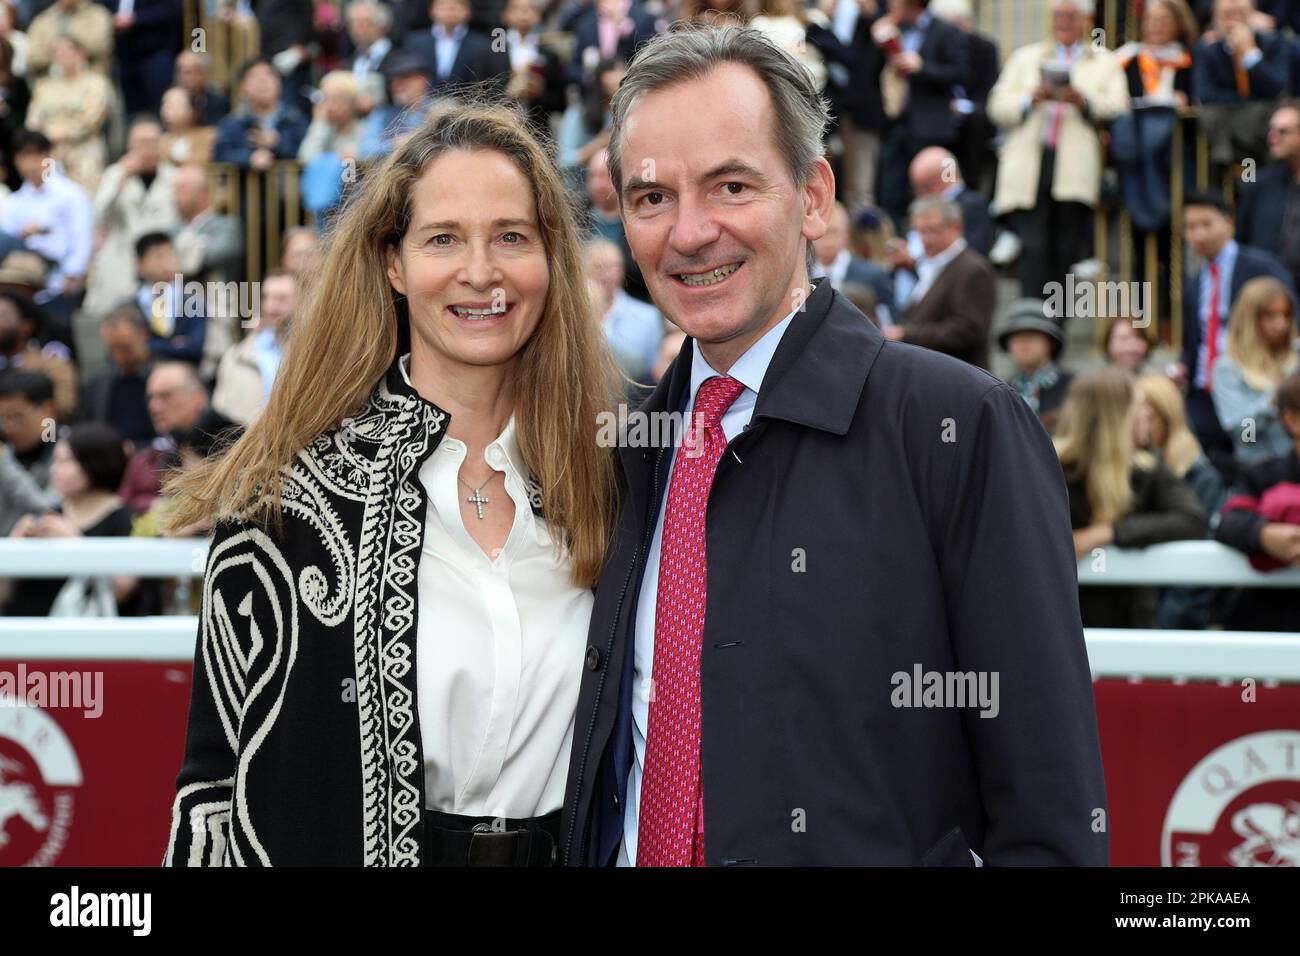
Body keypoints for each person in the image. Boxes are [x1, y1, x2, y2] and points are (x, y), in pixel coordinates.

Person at [563, 24, 1107, 867]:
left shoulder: (958, 427)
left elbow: (1049, 811)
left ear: (815, 197)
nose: (690, 231)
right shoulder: (627, 447)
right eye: (651, 197)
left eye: (731, 185)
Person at [163, 102, 620, 867]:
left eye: (512, 236)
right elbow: (217, 792)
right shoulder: (284, 504)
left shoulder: (610, 482)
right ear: (393, 264)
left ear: (551, 259)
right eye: (444, 239)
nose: (482, 272)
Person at [987, 0, 1129, 300]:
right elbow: (997, 105)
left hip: (1074, 164)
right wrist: (1030, 99)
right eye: (1059, 16)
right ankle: (1030, 320)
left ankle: (1054, 329)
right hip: (1030, 161)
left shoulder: (1104, 61)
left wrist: (1084, 101)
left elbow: (1119, 107)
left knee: (1066, 248)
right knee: (1032, 246)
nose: (1063, 22)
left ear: (1087, 20)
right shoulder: (1025, 57)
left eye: (1071, 16)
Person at [1055, 366, 1207, 628]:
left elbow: (1192, 519)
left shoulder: (1148, 468)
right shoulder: (1051, 469)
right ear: (1115, 417)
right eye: (1139, 406)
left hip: (1132, 627)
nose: (1148, 413)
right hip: (1062, 624)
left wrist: (1107, 532)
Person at [1175, 188, 1295, 468]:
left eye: (1206, 224)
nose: (1199, 235)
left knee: (1256, 454)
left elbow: (1289, 313)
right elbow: (1195, 340)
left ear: (1228, 223)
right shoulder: (1195, 282)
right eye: (1191, 227)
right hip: (1206, 391)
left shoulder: (1260, 266)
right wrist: (1184, 367)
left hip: (1253, 383)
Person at [1, 422, 135, 617]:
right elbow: (4, 594)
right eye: (54, 461)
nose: (55, 470)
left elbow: (121, 590)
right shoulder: (46, 516)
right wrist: (15, 547)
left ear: (96, 462)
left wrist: (73, 541)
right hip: (25, 636)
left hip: (87, 639)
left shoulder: (126, 519)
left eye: (66, 461)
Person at [1135, 373, 1227, 628]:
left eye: (1148, 418)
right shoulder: (1128, 472)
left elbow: (1201, 566)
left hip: (1178, 625)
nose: (1138, 427)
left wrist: (1166, 626)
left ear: (1168, 418)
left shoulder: (1202, 477)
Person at [1215, 370, 1300, 630]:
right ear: (1292, 419)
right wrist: (1265, 534)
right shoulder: (1262, 474)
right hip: (1269, 626)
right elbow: (1227, 521)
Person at [886, 194, 995, 368]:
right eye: (919, 231)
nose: (925, 239)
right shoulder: (931, 265)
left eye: (932, 231)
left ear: (957, 227)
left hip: (960, 378)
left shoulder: (973, 269)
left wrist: (905, 334)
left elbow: (968, 330)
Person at [1211, 275, 1300, 465]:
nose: (1281, 325)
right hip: (1258, 470)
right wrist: (1273, 400)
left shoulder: (1296, 357)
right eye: (1271, 316)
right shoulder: (1227, 369)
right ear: (1250, 320)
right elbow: (1244, 435)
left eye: (1286, 316)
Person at [210, 269, 296, 425]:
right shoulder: (236, 356)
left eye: (281, 299)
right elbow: (221, 415)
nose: (270, 307)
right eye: (266, 297)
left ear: (302, 300)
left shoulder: (314, 355)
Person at [998, 297, 1073, 433]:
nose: (1023, 343)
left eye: (1031, 335)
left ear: (1051, 342)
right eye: (1016, 337)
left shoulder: (1072, 386)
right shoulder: (1003, 391)